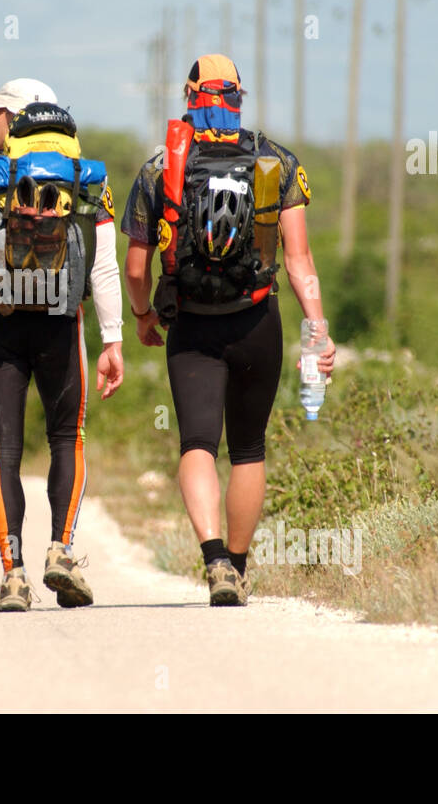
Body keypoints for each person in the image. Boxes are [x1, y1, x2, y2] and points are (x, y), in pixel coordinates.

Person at [121, 54, 336, 606]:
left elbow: (137, 266)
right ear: (240, 94)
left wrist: (143, 314)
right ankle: (237, 570)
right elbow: (300, 260)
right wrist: (319, 330)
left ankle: (213, 559)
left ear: (189, 95)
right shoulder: (276, 162)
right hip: (256, 319)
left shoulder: (160, 167)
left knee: (197, 441)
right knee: (247, 448)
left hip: (192, 323)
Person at [0, 78, 125, 612]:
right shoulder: (84, 178)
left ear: (15, 118)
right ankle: (61, 551)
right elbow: (103, 265)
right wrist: (113, 339)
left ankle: (13, 575)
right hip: (62, 324)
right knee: (67, 438)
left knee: (2, 452)